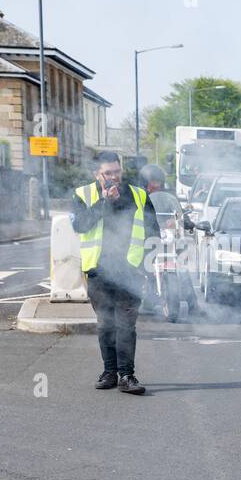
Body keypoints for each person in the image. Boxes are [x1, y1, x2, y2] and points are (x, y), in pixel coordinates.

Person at [71, 151, 161, 395]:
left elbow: (154, 234)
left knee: (126, 326)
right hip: (99, 272)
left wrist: (147, 269)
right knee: (105, 325)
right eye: (107, 173)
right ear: (96, 174)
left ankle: (127, 375)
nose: (113, 177)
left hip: (129, 273)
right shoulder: (84, 194)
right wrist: (103, 201)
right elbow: (79, 225)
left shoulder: (139, 195)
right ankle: (109, 371)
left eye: (116, 172)